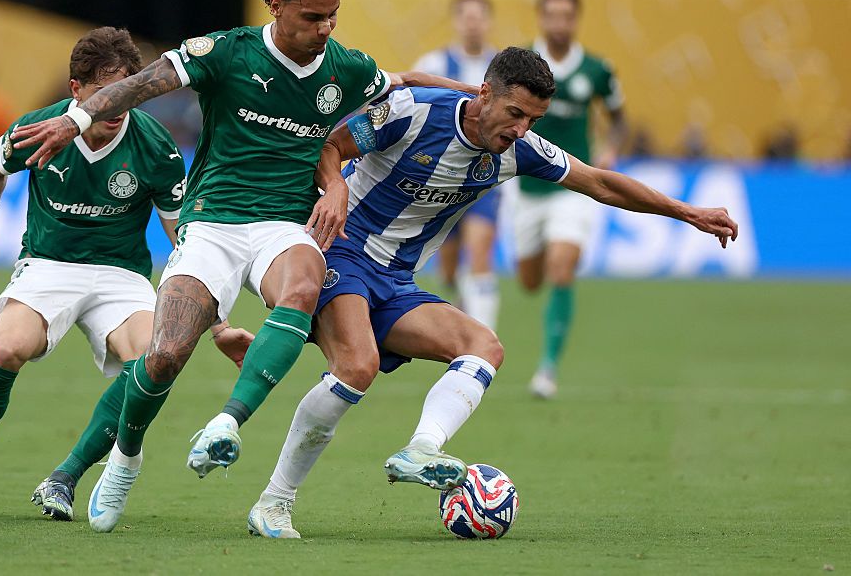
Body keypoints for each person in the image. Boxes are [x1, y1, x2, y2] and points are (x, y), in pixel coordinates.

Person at [9, 0, 475, 534]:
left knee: (303, 285)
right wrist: (74, 120)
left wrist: (475, 97)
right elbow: (141, 86)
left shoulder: (347, 67)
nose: (324, 28)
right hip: (213, 222)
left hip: (286, 223)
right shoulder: (226, 52)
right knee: (165, 355)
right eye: (312, 16)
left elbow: (406, 82)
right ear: (275, 5)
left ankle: (227, 422)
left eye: (333, 15)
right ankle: (123, 460)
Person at [247, 47, 737, 539]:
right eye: (516, 114)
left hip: (396, 279)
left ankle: (421, 449)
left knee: (485, 346)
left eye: (533, 119)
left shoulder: (519, 150)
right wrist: (333, 187)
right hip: (342, 252)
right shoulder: (414, 111)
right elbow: (330, 146)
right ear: (485, 95)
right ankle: (274, 503)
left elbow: (600, 183)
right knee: (358, 365)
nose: (522, 129)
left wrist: (687, 212)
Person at [0, 27, 252, 520]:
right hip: (49, 265)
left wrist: (216, 322)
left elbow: (183, 239)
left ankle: (66, 477)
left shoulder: (154, 145)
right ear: (76, 90)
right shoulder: (42, 127)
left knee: (155, 358)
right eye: (102, 92)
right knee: (9, 348)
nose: (115, 104)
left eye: (125, 89)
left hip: (120, 275)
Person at [519, 0, 628, 399]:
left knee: (562, 270)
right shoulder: (522, 64)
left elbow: (618, 118)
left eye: (567, 16)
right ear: (541, 18)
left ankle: (547, 368)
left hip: (573, 185)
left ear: (576, 20)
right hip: (524, 187)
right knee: (530, 280)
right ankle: (541, 271)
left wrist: (611, 147)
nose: (559, 24)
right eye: (552, 15)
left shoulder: (598, 70)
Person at [412, 0, 501, 330]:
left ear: (489, 22)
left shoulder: (503, 69)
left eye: (479, 16)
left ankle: (484, 339)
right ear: (456, 21)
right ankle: (462, 293)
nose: (473, 22)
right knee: (447, 269)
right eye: (467, 16)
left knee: (481, 254)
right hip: (440, 180)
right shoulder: (433, 65)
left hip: (486, 178)